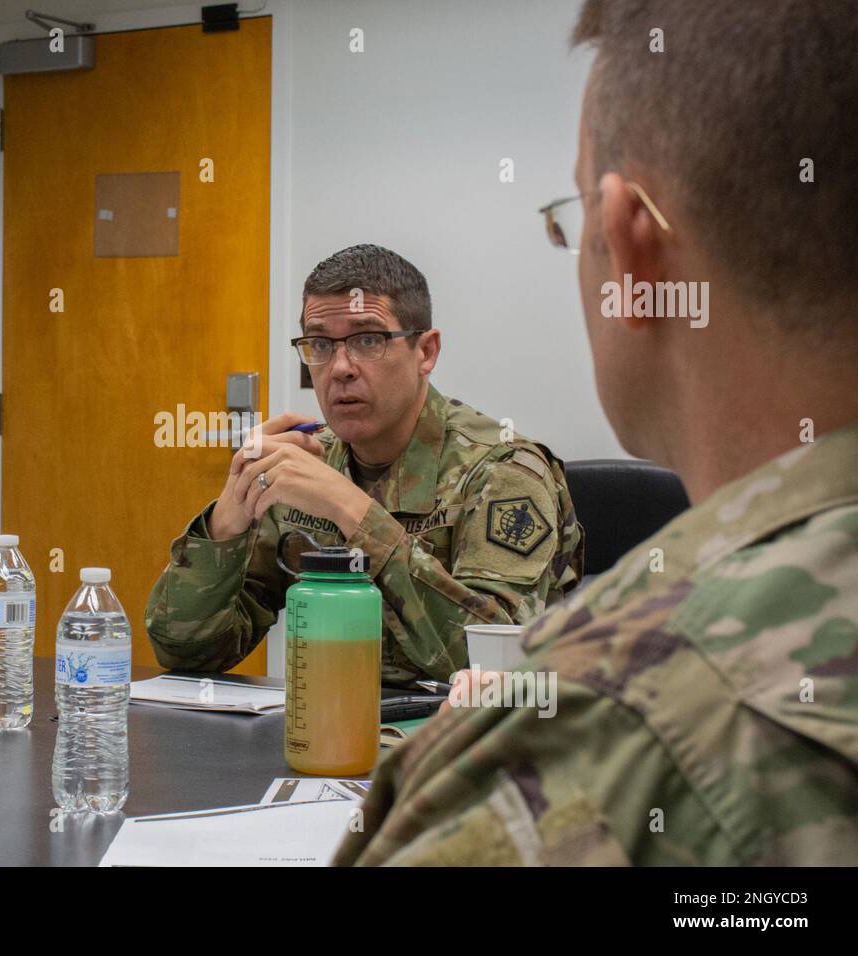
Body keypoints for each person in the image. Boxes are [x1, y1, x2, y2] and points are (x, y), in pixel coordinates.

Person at [335, 0, 858, 865]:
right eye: (320, 347)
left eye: (569, 220)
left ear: (631, 245)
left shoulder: (594, 724)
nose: (340, 368)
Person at [146, 245, 584, 686]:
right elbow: (187, 651)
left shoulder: (504, 471)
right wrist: (227, 521)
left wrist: (349, 509)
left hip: (462, 743)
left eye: (368, 340)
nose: (339, 368)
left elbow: (492, 665)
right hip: (328, 728)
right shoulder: (309, 463)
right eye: (319, 344)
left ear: (425, 352)